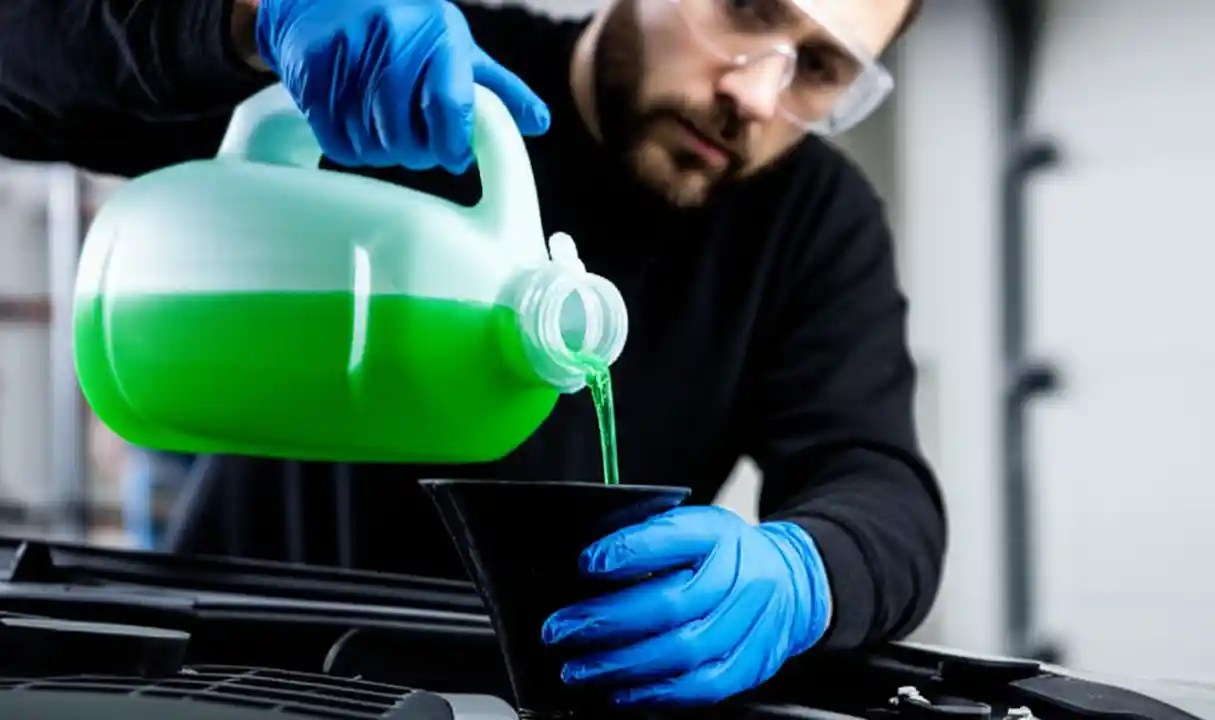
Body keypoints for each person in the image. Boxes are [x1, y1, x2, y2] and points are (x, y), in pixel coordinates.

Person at [0, 0, 946, 707]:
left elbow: (878, 482)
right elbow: (22, 78)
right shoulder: (404, 74)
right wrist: (249, 18)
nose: (755, 91)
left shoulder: (811, 225)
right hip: (230, 676)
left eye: (819, 68)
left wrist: (809, 570)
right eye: (747, 9)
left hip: (544, 685)